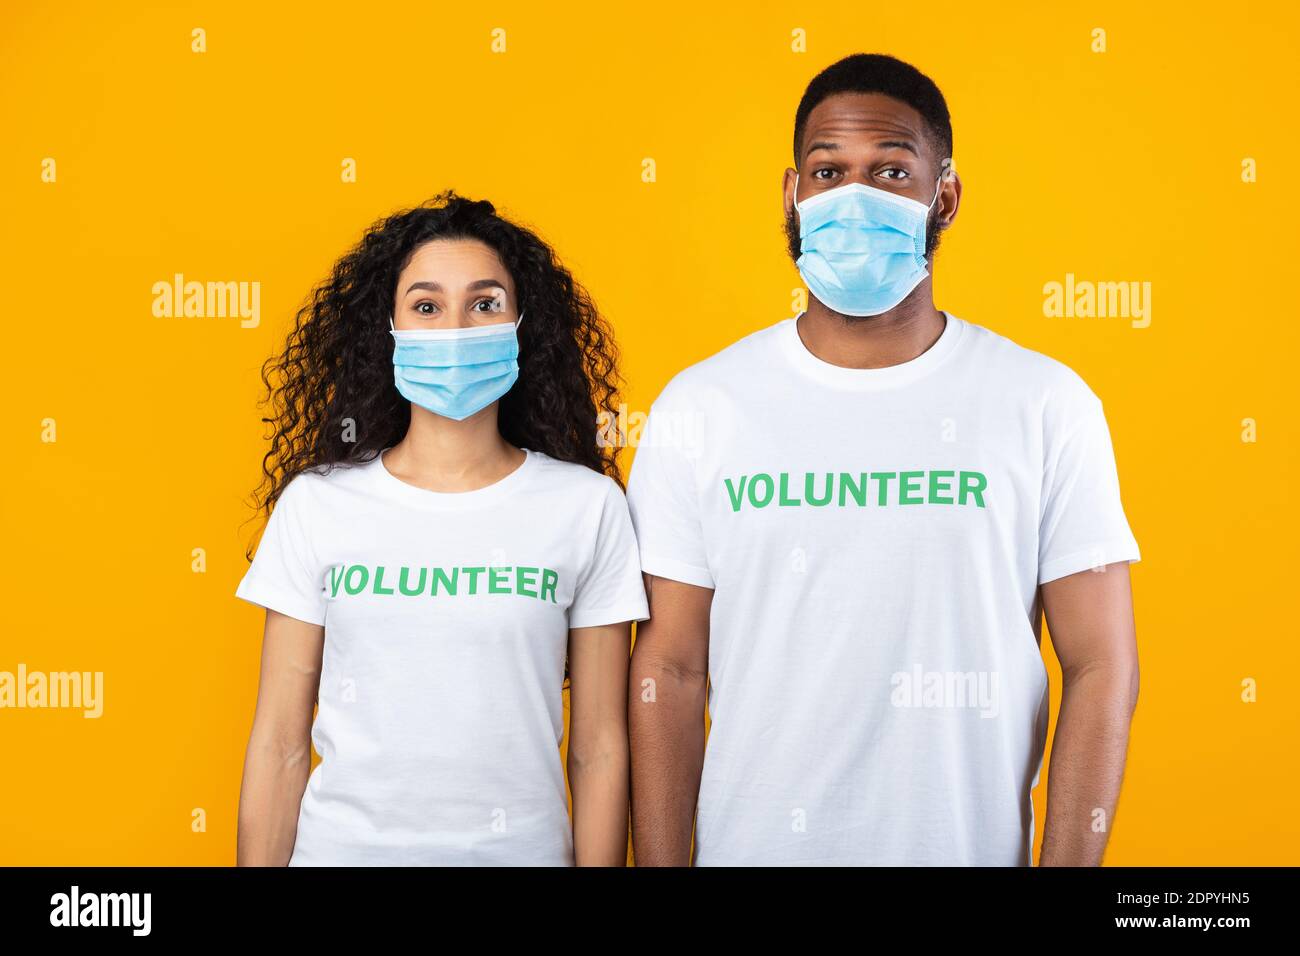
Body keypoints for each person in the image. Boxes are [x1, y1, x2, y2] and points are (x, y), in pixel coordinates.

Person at [626, 53, 1141, 866]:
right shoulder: (702, 406)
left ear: (946, 195)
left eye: (891, 171)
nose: (853, 198)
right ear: (792, 194)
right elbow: (671, 668)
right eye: (829, 171)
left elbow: (1101, 663)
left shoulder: (1045, 403)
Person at [236, 191, 647, 866]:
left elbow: (600, 747)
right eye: (426, 306)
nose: (455, 328)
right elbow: (279, 742)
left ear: (522, 326)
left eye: (484, 303)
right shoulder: (318, 505)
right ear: (388, 331)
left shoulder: (586, 507)